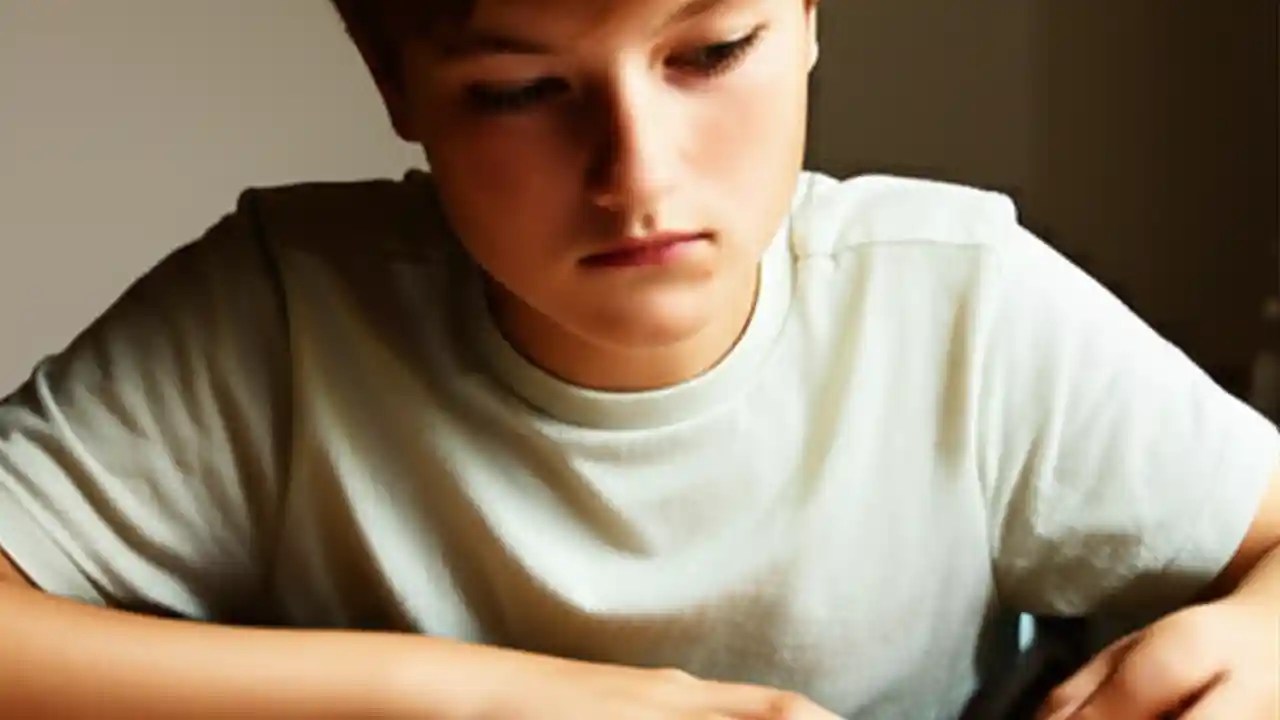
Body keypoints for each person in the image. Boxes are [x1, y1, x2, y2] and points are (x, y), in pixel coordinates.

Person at [0, 0, 1276, 717]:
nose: (638, 176)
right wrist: (481, 707)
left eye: (711, 53)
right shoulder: (282, 314)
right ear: (392, 77)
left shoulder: (960, 308)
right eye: (516, 89)